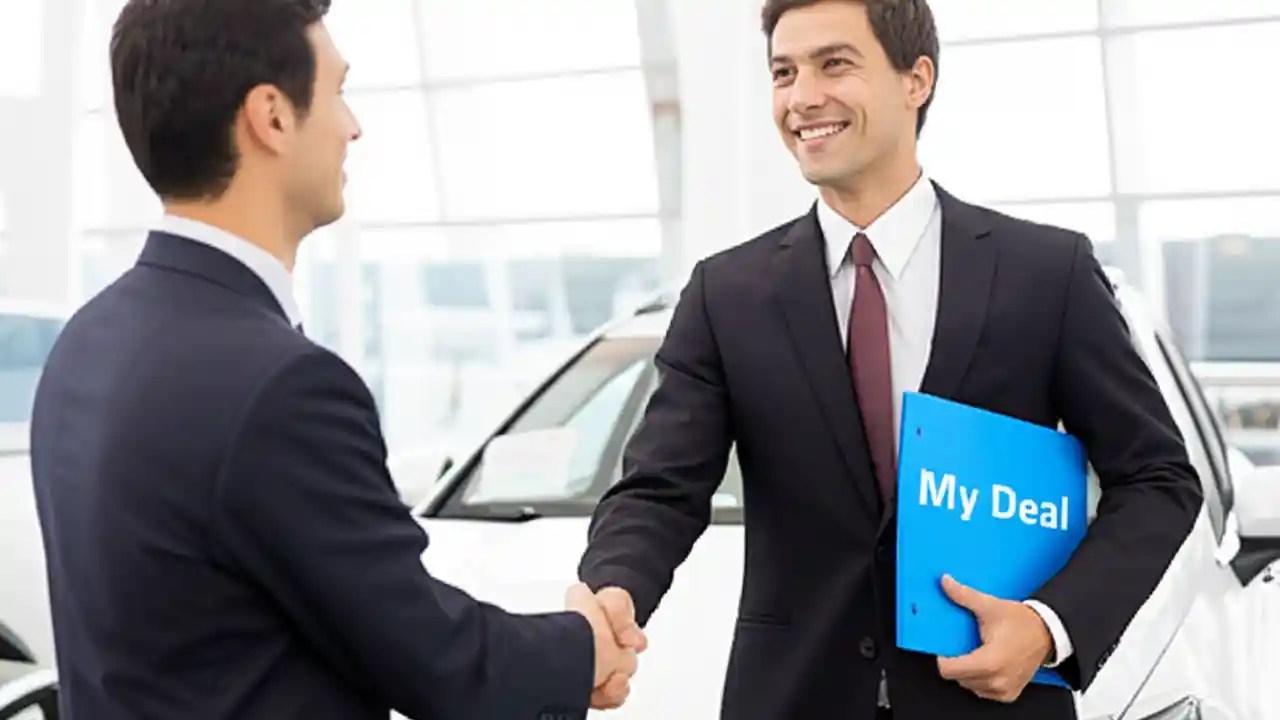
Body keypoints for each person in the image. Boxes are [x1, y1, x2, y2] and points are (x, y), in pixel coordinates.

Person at [576, 0, 1204, 718]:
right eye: (784, 72)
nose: (802, 96)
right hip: (794, 697)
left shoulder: (1046, 273)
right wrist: (613, 591)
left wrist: (1049, 625)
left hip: (991, 699)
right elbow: (660, 489)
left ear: (917, 79)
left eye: (833, 64)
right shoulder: (727, 293)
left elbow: (1157, 479)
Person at [29, 1, 644, 718]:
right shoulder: (281, 385)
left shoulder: (85, 344)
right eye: (338, 91)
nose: (353, 126)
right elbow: (433, 657)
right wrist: (583, 648)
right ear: (272, 117)